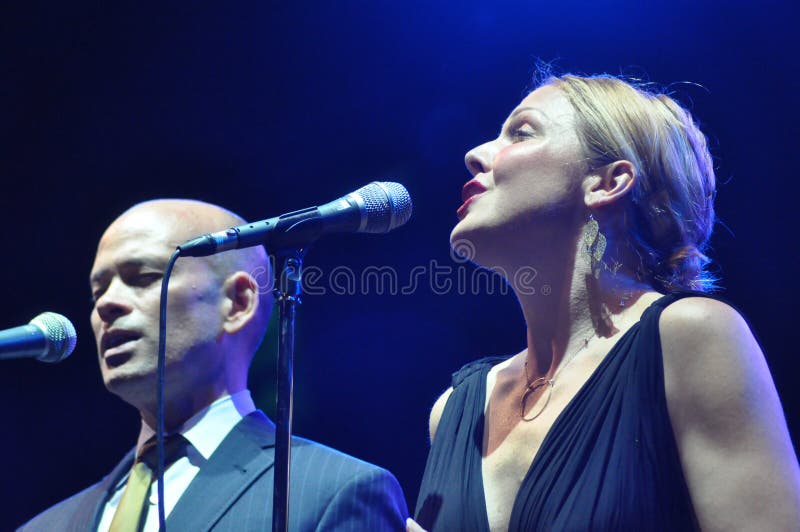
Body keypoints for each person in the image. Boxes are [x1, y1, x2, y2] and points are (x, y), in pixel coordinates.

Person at [409, 72, 800, 531]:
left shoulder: (691, 338)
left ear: (607, 182)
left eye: (521, 131)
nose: (474, 155)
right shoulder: (455, 411)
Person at [19, 199, 408, 531]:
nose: (106, 304)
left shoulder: (332, 492)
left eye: (143, 277)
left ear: (237, 303)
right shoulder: (45, 526)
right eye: (98, 290)